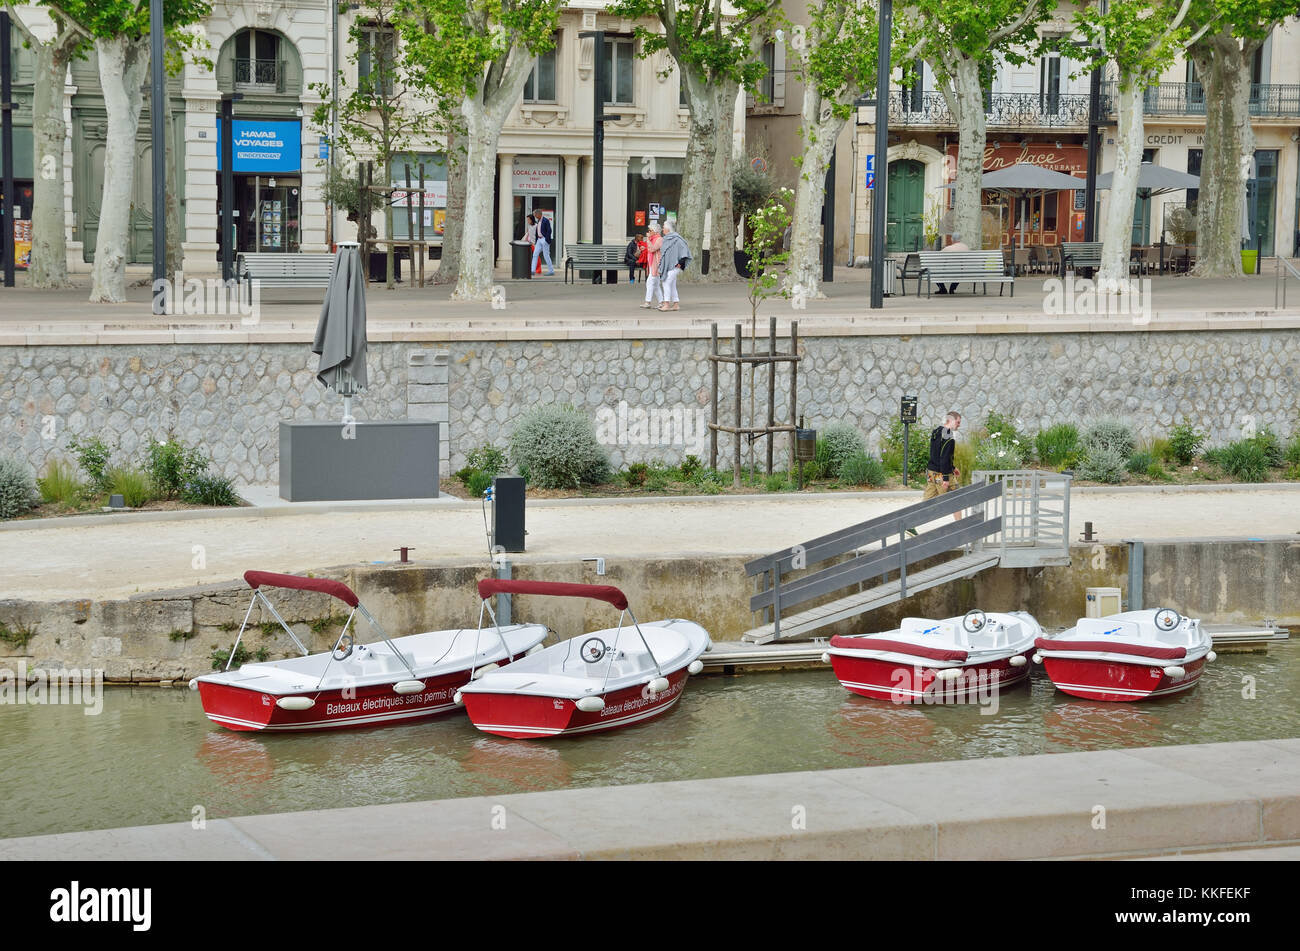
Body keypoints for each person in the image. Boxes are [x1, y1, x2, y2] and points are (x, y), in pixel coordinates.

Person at [924, 411, 963, 522]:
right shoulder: (948, 435)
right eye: (958, 422)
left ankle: (910, 524)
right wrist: (945, 478)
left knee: (928, 499)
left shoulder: (936, 431)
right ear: (950, 420)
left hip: (932, 472)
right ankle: (960, 526)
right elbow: (945, 457)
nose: (959, 425)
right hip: (942, 474)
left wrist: (953, 467)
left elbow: (937, 454)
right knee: (956, 499)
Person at [658, 219, 691, 312]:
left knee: (666, 282)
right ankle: (676, 304)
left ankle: (666, 304)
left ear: (668, 229)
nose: (662, 229)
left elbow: (685, 251)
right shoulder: (665, 239)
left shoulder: (678, 239)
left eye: (664, 228)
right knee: (671, 284)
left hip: (676, 265)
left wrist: (680, 263)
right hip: (668, 265)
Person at [639, 222, 663, 309]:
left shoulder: (659, 239)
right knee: (655, 285)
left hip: (656, 264)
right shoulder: (653, 239)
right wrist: (645, 247)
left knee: (650, 282)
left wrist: (648, 240)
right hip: (651, 263)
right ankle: (661, 302)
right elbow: (650, 248)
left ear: (655, 231)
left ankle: (647, 302)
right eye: (649, 230)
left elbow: (653, 249)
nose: (649, 232)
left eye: (650, 230)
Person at [532, 211, 555, 276]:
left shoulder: (545, 220)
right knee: (535, 254)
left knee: (546, 255)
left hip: (544, 239)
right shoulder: (538, 221)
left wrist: (546, 239)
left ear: (539, 214)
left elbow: (549, 230)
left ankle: (551, 271)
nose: (535, 217)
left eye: (535, 215)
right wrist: (537, 240)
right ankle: (532, 270)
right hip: (539, 240)